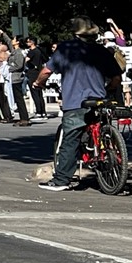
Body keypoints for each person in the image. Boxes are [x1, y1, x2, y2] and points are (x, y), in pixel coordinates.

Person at [31, 18, 118, 192]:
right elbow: (116, 77)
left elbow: (47, 71)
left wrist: (38, 83)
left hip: (75, 101)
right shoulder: (102, 51)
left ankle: (61, 179)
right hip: (99, 98)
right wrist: (108, 89)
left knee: (70, 139)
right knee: (101, 129)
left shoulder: (66, 49)